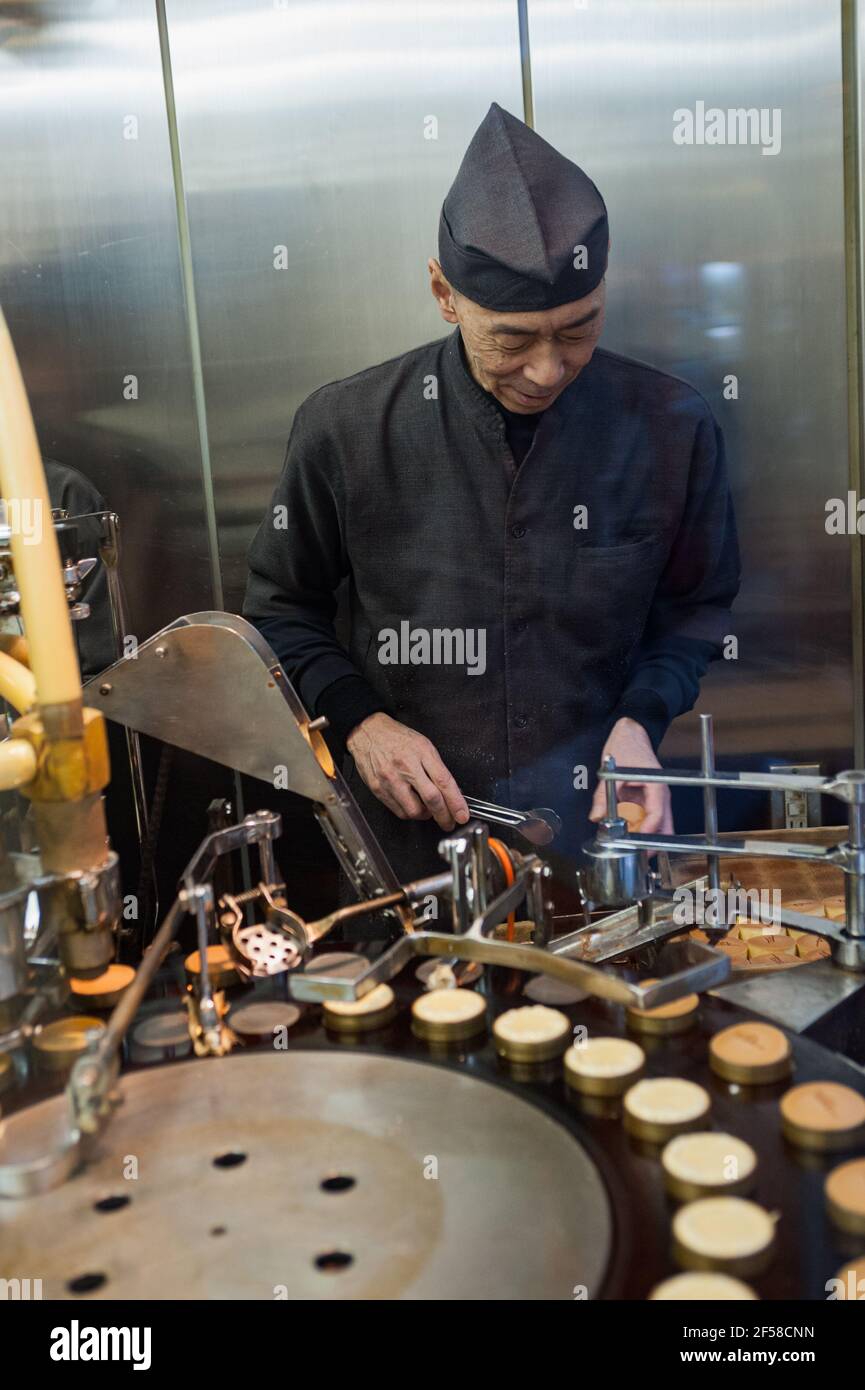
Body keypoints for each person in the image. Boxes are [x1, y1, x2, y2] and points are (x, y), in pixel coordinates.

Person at [243, 103, 740, 893]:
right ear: (443, 293)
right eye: (512, 339)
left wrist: (638, 724)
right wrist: (359, 723)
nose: (547, 369)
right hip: (411, 851)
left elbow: (694, 611)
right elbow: (280, 612)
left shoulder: (672, 429)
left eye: (578, 329)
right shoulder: (344, 427)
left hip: (604, 839)